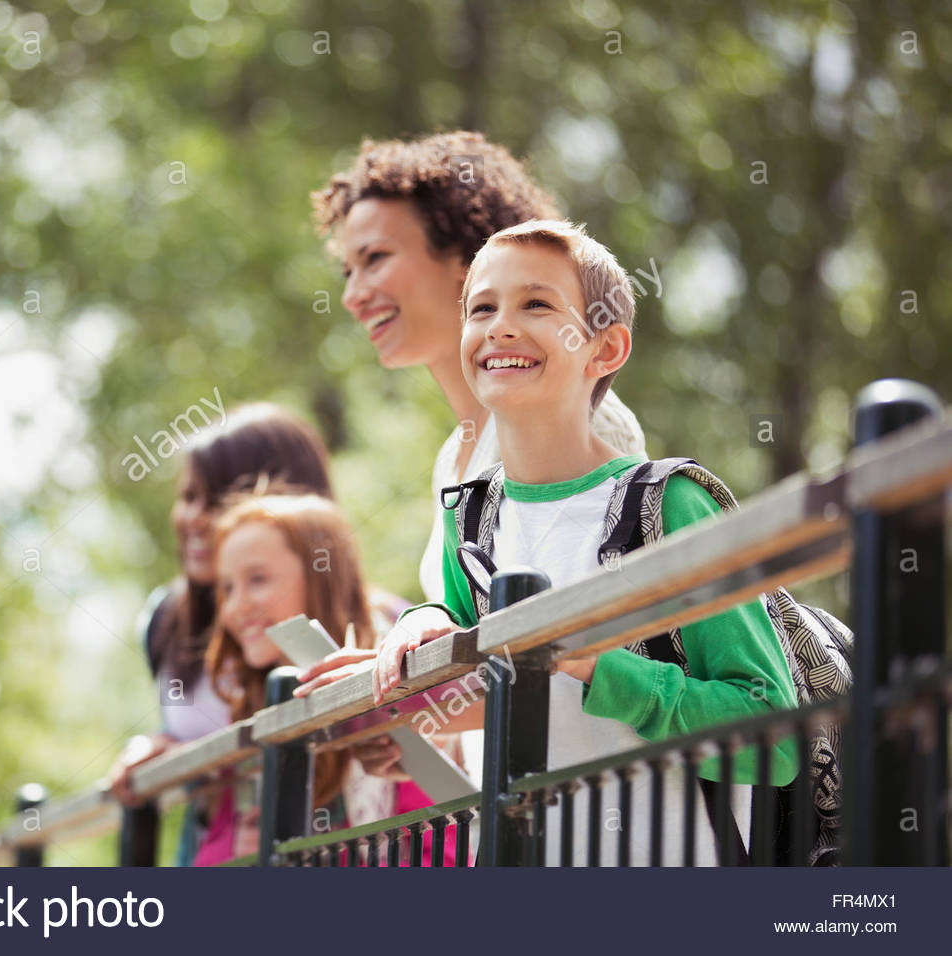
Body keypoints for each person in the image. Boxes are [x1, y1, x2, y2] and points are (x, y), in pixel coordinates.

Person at [376, 219, 799, 864]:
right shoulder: (471, 518)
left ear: (606, 350)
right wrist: (424, 623)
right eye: (481, 308)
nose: (501, 327)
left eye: (536, 304)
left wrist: (600, 666)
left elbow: (775, 739)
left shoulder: (673, 505)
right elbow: (486, 687)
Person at [300, 131, 647, 781]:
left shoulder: (592, 422)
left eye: (375, 258)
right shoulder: (451, 463)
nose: (353, 293)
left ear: (467, 259)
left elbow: (594, 659)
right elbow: (503, 672)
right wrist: (409, 720)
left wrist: (414, 704)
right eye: (348, 270)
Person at [105, 403, 336, 865]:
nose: (194, 518)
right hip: (215, 849)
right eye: (187, 496)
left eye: (215, 501)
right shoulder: (164, 623)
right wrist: (163, 749)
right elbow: (196, 733)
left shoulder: (364, 620)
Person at [196, 492, 454, 866]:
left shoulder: (392, 690)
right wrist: (239, 850)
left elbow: (443, 849)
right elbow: (210, 852)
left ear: (322, 578)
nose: (236, 606)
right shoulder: (252, 705)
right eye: (227, 588)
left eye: (258, 579)